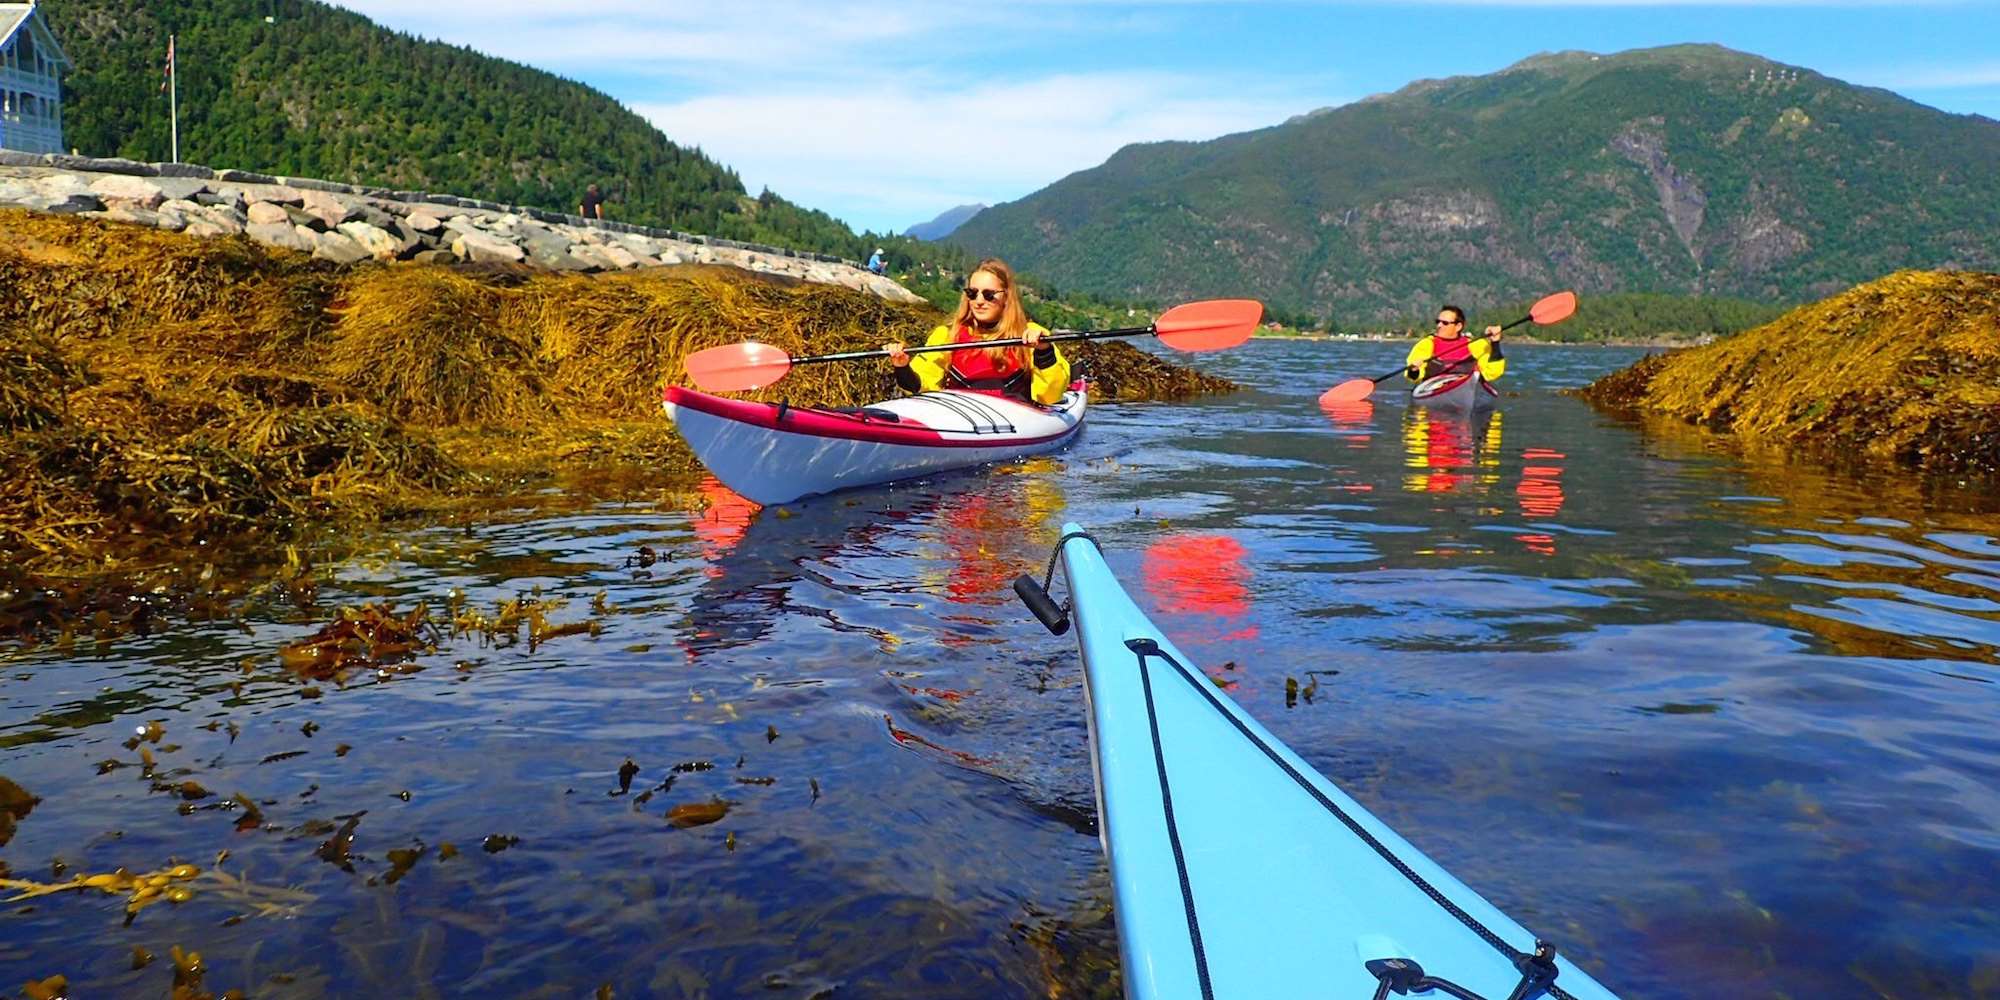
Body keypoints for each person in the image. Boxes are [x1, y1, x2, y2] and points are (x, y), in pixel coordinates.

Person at [883, 258, 1070, 406]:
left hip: (1018, 417)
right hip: (960, 417)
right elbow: (920, 385)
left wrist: (1044, 351)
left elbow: (1050, 397)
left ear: (1006, 297)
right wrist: (902, 367)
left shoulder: (1032, 335)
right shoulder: (946, 336)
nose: (979, 301)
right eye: (972, 293)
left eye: (989, 295)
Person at [1406, 305, 1505, 382]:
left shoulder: (1476, 345)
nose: (1439, 325)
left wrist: (1495, 343)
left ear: (1458, 326)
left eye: (1445, 323)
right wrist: (1414, 370)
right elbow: (1413, 377)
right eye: (1438, 322)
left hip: (1468, 387)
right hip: (1434, 388)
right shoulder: (1426, 344)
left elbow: (1493, 373)